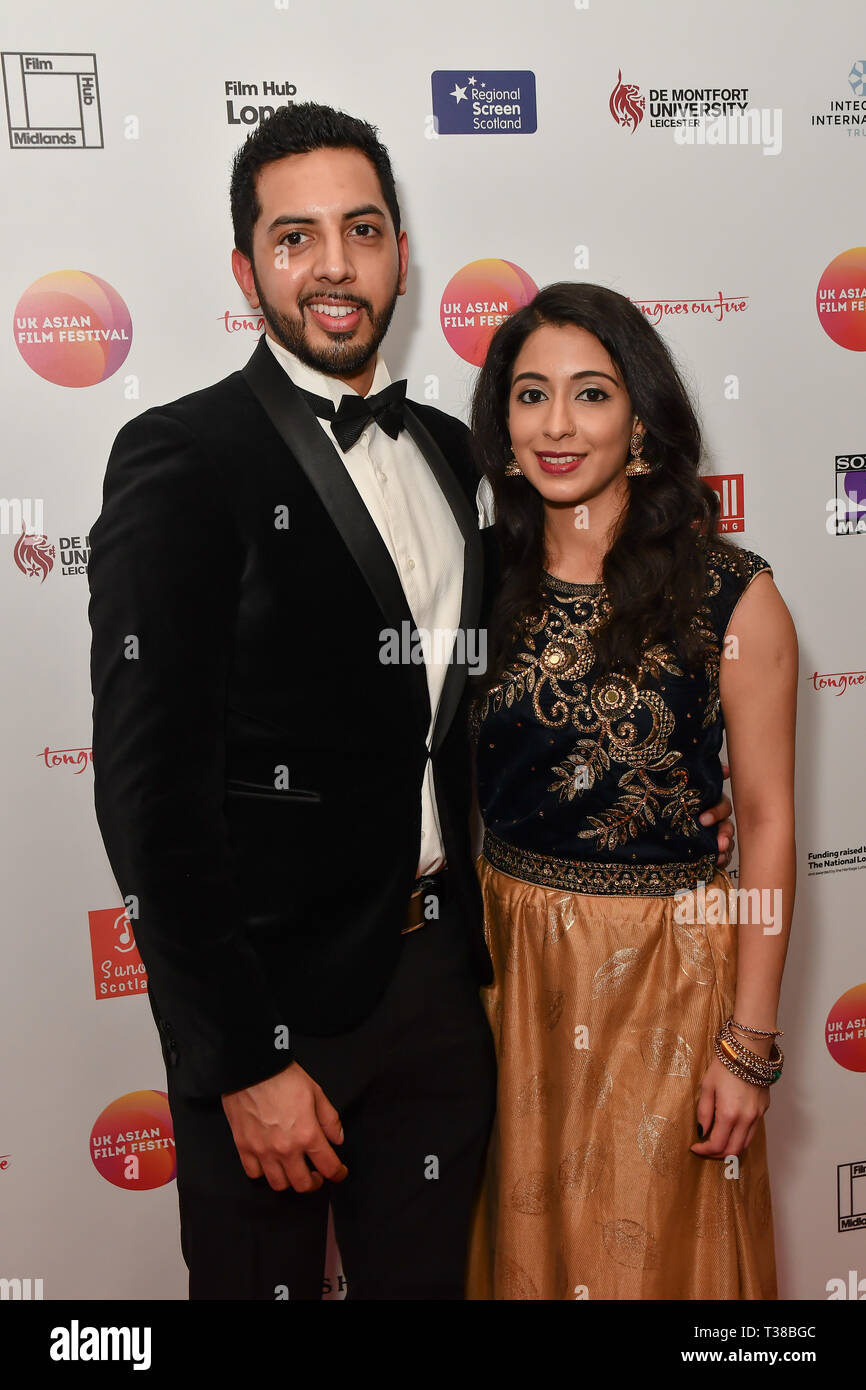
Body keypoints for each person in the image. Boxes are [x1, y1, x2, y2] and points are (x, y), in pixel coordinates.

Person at [87, 103, 735, 1301]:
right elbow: (147, 797)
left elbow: (528, 670)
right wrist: (240, 1061)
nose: (334, 264)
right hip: (274, 1010)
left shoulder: (452, 452)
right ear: (247, 270)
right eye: (296, 237)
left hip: (442, 988)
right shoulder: (182, 458)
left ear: (399, 254)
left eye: (362, 229)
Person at [465, 282, 797, 1301]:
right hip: (502, 968)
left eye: (589, 394)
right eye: (529, 395)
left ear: (642, 420)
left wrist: (746, 1047)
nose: (555, 424)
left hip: (666, 973)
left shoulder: (730, 592)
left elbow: (770, 821)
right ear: (502, 420)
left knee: (650, 1258)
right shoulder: (473, 578)